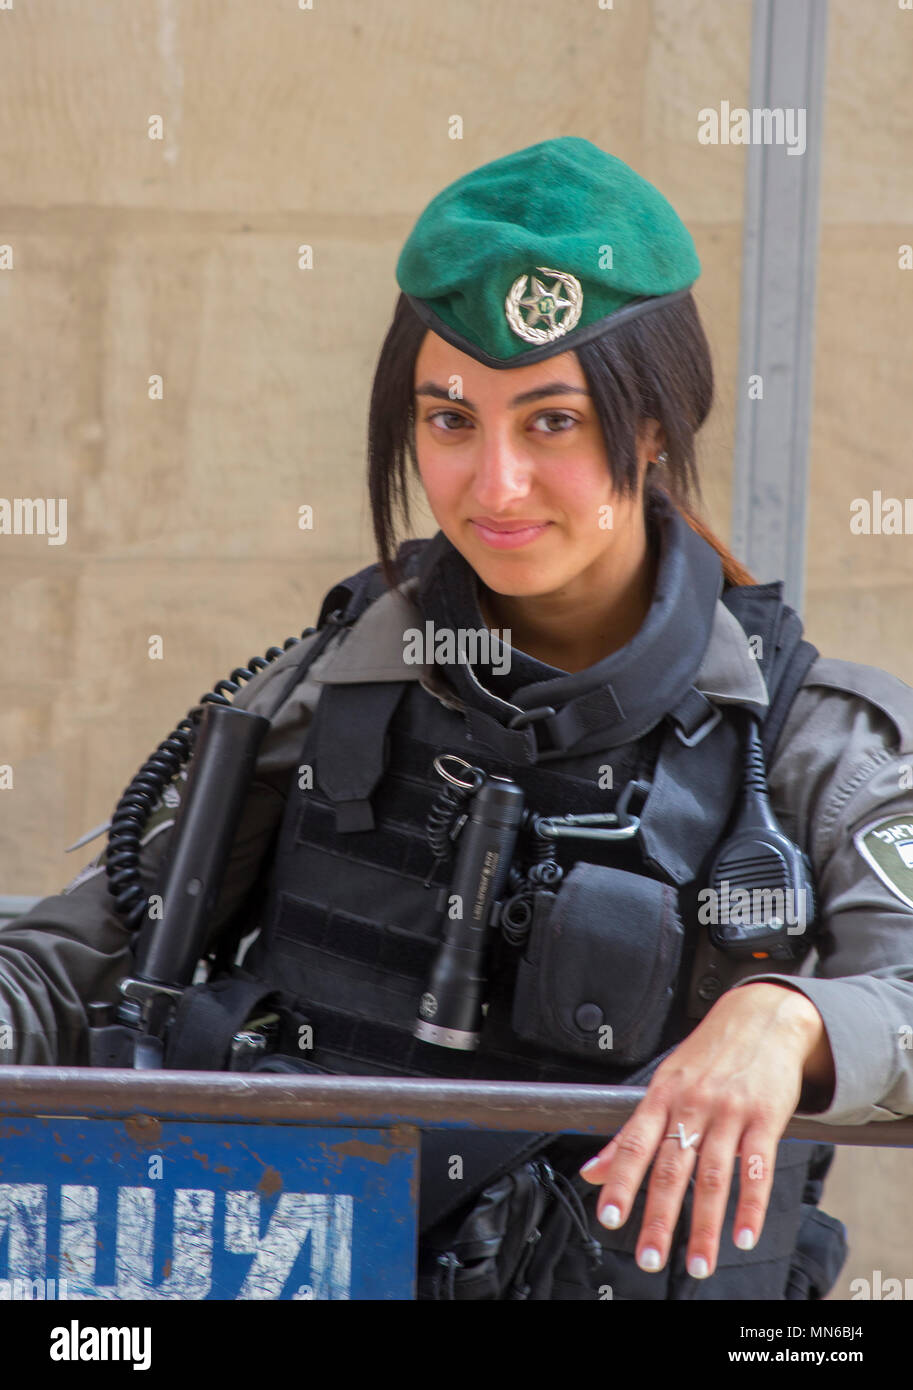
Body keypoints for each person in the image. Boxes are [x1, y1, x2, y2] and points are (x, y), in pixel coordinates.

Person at [5, 135, 913, 1301]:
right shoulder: (339, 674)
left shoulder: (807, 739)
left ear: (650, 428)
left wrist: (792, 1020)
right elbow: (82, 956)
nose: (493, 487)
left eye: (552, 422)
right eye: (448, 420)